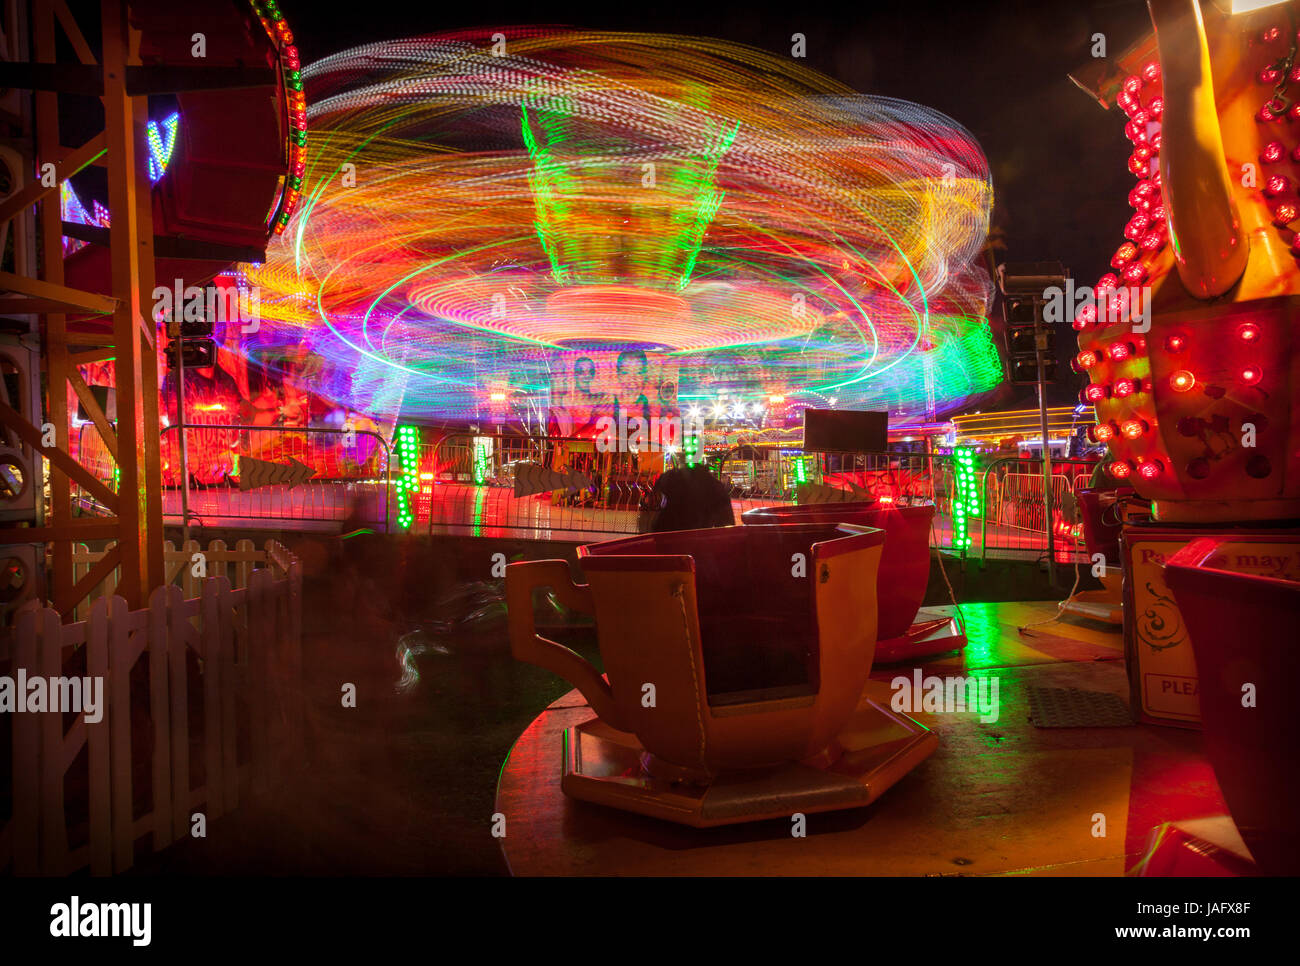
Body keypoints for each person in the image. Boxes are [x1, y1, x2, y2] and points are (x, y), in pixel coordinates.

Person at [646, 464, 735, 532]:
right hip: (697, 538)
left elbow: (652, 504)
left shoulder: (669, 477)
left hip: (665, 534)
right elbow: (726, 523)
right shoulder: (715, 486)